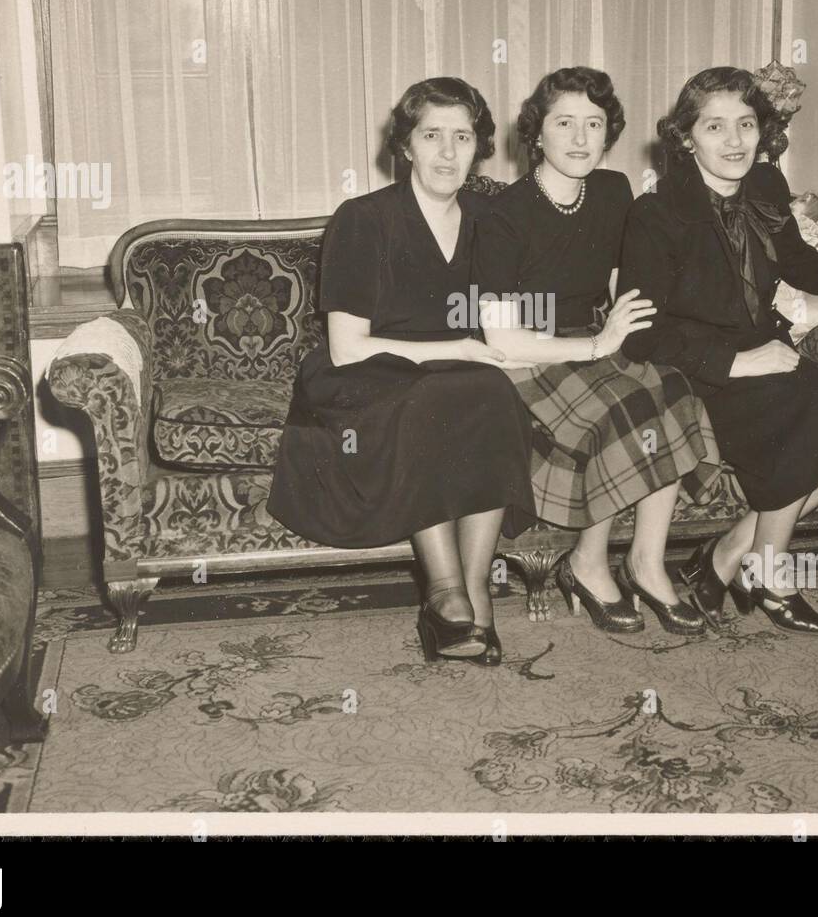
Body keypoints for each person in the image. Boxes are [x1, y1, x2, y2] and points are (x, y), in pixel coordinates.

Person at [619, 66, 818, 633]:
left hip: (763, 349)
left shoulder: (765, 188)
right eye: (715, 127)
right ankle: (769, 572)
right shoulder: (655, 213)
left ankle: (726, 554)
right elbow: (644, 332)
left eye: (745, 124)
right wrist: (737, 362)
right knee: (811, 411)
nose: (735, 141)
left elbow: (801, 263)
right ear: (686, 136)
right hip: (692, 366)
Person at [267, 77, 535, 666]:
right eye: (431, 135)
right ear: (406, 146)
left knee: (490, 392)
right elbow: (346, 347)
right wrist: (458, 350)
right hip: (365, 373)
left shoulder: (489, 217)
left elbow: (508, 315)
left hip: (457, 373)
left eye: (462, 137)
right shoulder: (363, 219)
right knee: (437, 397)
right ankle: (444, 593)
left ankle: (474, 598)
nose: (447, 152)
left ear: (478, 146)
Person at [473, 67, 724, 637]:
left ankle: (645, 562)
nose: (582, 138)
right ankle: (587, 564)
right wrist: (597, 345)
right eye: (565, 123)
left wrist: (626, 340)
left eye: (595, 124)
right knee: (622, 405)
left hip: (596, 342)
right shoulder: (502, 215)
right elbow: (500, 338)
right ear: (537, 134)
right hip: (530, 354)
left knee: (671, 386)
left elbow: (623, 284)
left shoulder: (613, 190)